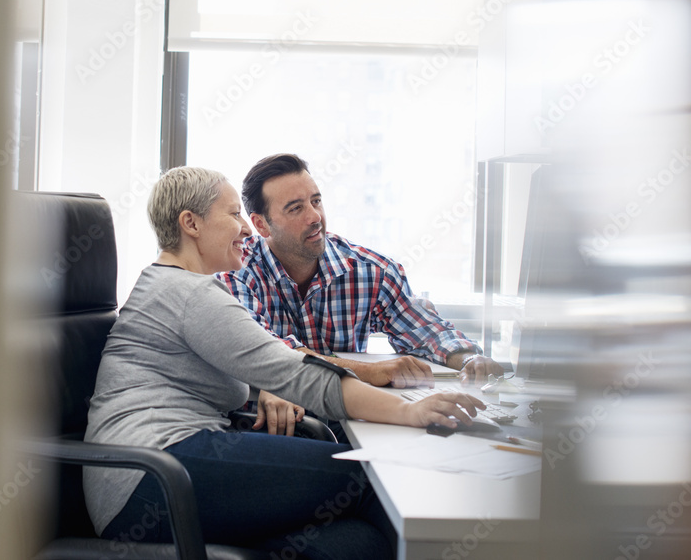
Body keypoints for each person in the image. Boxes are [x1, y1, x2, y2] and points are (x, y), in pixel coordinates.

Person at [83, 166, 486, 559]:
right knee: (372, 480)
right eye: (233, 214)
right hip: (151, 478)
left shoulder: (178, 287)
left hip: (160, 472)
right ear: (191, 223)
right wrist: (410, 412)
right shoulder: (190, 295)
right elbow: (294, 371)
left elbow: (266, 365)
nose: (244, 228)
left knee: (357, 545)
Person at [218, 153, 505, 389]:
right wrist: (369, 371)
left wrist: (468, 360)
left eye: (316, 201)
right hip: (275, 422)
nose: (315, 217)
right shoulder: (236, 270)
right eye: (295, 209)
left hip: (353, 417)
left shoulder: (371, 272)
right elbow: (270, 353)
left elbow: (424, 330)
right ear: (261, 224)